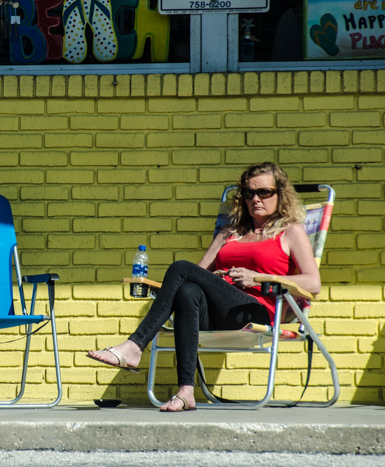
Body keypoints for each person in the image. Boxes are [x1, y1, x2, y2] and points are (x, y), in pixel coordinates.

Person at [87, 162, 321, 412]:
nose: (256, 199)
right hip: (218, 314)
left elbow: (313, 283)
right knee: (188, 290)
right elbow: (195, 275)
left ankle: (135, 345)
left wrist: (258, 278)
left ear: (279, 194)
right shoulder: (229, 233)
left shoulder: (290, 232)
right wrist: (216, 280)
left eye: (264, 192)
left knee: (180, 267)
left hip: (256, 312)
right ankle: (186, 391)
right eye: (249, 193)